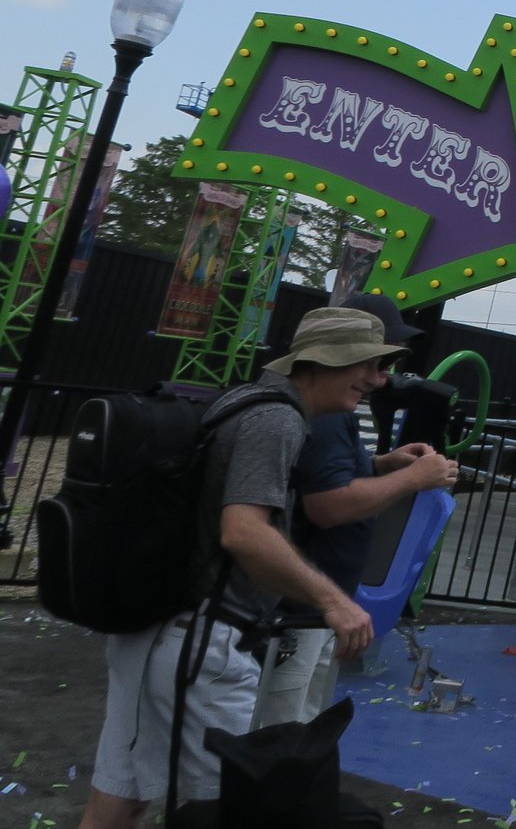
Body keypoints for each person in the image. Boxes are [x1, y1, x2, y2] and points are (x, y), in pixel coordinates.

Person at [77, 307, 399, 829]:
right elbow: (243, 531)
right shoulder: (278, 419)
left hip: (158, 631)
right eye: (363, 363)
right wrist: (334, 601)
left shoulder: (240, 402)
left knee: (120, 795)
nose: (375, 379)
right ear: (318, 363)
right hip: (204, 645)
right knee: (230, 808)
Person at [255, 294, 460, 729]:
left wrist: (384, 464)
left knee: (300, 721)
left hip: (317, 601)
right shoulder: (320, 413)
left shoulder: (327, 410)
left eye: (383, 364)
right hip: (303, 603)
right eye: (372, 362)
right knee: (279, 728)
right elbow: (326, 505)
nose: (379, 378)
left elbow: (321, 477)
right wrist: (414, 479)